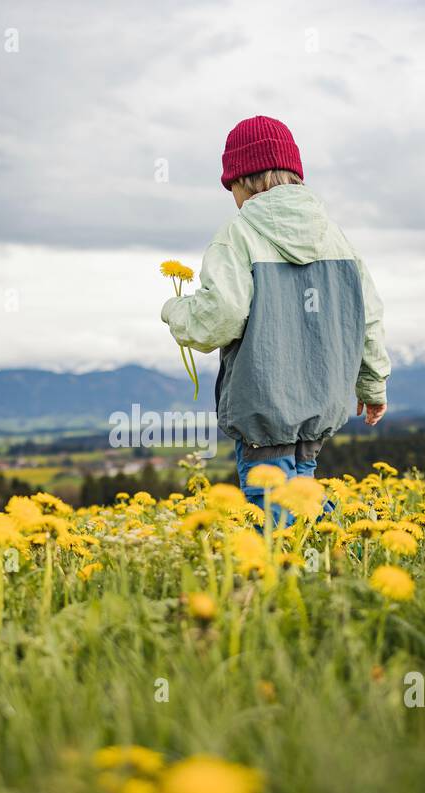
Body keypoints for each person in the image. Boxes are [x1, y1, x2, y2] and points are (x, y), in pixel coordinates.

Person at [161, 115, 391, 520]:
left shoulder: (238, 234)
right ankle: (328, 561)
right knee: (303, 490)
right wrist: (372, 384)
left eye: (230, 186)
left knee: (273, 508)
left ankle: (286, 572)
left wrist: (175, 312)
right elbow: (367, 315)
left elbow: (223, 315)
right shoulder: (337, 237)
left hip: (264, 406)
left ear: (243, 180)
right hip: (322, 404)